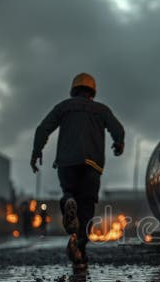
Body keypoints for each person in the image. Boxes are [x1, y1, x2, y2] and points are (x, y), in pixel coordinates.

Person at [32, 73, 125, 269]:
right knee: (87, 207)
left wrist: (36, 151)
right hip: (92, 165)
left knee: (69, 191)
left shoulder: (64, 107)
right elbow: (118, 129)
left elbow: (43, 129)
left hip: (67, 163)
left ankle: (68, 200)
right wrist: (119, 143)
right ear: (92, 92)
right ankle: (80, 249)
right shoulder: (101, 110)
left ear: (73, 90)